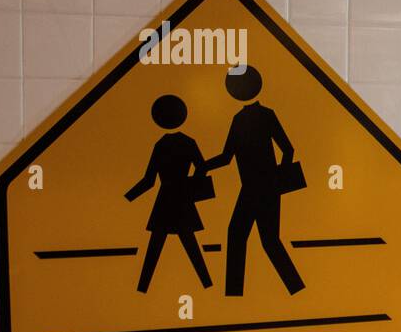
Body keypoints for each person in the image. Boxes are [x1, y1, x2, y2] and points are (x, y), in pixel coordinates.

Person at [205, 66, 305, 297]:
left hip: (263, 188)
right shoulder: (242, 119)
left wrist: (278, 180)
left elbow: (287, 149)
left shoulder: (257, 116)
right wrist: (203, 166)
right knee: (243, 236)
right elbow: (228, 157)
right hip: (252, 189)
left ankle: (295, 288)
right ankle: (235, 293)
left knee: (264, 240)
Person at [125, 94, 213, 293]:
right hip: (183, 199)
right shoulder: (188, 142)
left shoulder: (161, 145)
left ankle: (142, 287)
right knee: (190, 244)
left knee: (156, 247)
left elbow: (149, 180)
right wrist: (191, 187)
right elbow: (202, 167)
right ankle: (207, 283)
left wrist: (129, 197)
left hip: (165, 200)